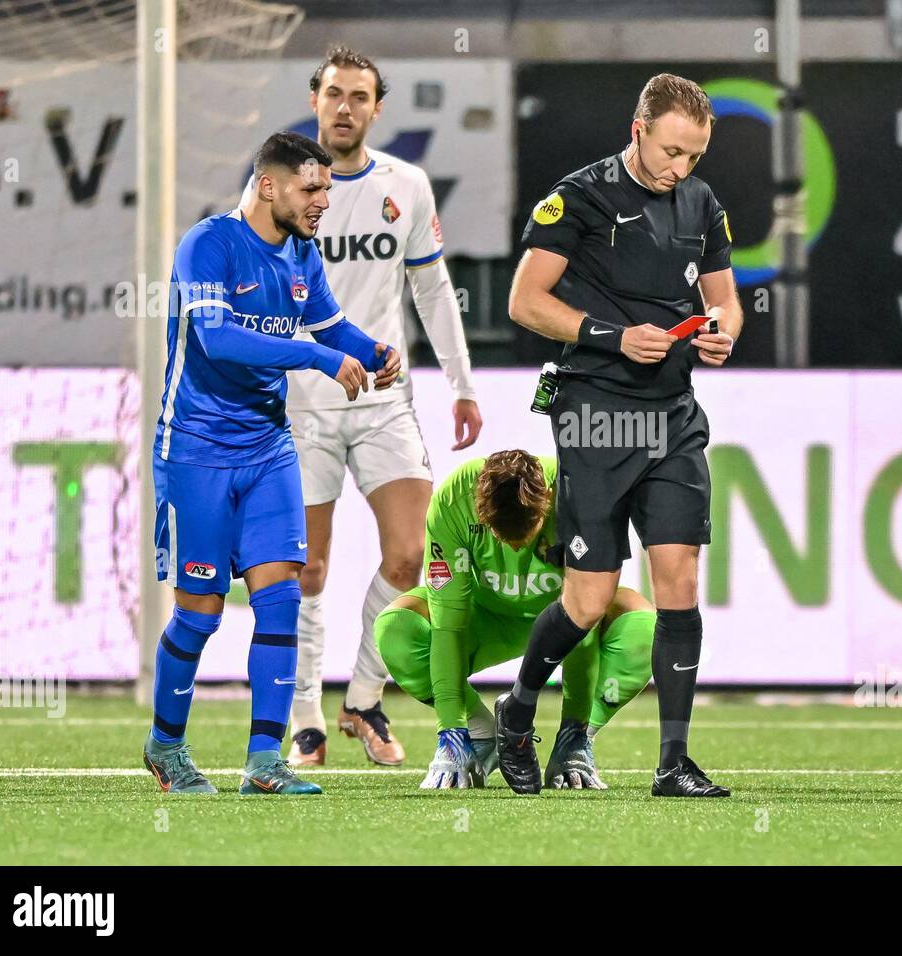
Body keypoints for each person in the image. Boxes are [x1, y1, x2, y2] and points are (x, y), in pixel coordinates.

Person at [494, 74, 742, 797]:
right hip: (596, 412)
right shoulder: (580, 196)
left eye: (694, 155)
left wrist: (724, 332)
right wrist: (611, 336)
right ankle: (517, 708)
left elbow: (724, 300)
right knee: (589, 600)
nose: (681, 169)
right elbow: (524, 301)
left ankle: (673, 762)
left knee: (680, 580)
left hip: (672, 416)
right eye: (670, 151)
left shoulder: (701, 203)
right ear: (638, 130)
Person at [144, 131, 400, 796]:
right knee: (199, 613)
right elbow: (217, 338)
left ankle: (264, 760)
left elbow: (330, 327)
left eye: (327, 190)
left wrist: (372, 349)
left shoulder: (302, 254)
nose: (323, 201)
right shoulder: (210, 244)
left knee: (281, 602)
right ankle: (166, 747)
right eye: (310, 189)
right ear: (269, 185)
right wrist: (320, 361)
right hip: (195, 449)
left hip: (267, 448)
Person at [267, 47, 483, 767]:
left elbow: (430, 289)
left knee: (412, 551)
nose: (345, 107)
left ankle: (362, 697)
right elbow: (258, 286)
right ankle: (305, 719)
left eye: (359, 96)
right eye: (334, 94)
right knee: (308, 569)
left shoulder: (407, 185)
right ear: (316, 98)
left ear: (376, 108)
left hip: (385, 399)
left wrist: (462, 383)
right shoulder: (279, 187)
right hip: (303, 402)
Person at [372, 450, 656, 789]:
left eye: (530, 533)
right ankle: (480, 734)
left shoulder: (581, 496)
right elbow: (449, 624)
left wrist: (575, 728)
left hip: (567, 619)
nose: (515, 546)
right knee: (395, 629)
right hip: (487, 619)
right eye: (497, 533)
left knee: (646, 628)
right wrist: (451, 731)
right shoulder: (452, 502)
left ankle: (577, 743)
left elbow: (586, 617)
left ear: (547, 502)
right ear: (479, 509)